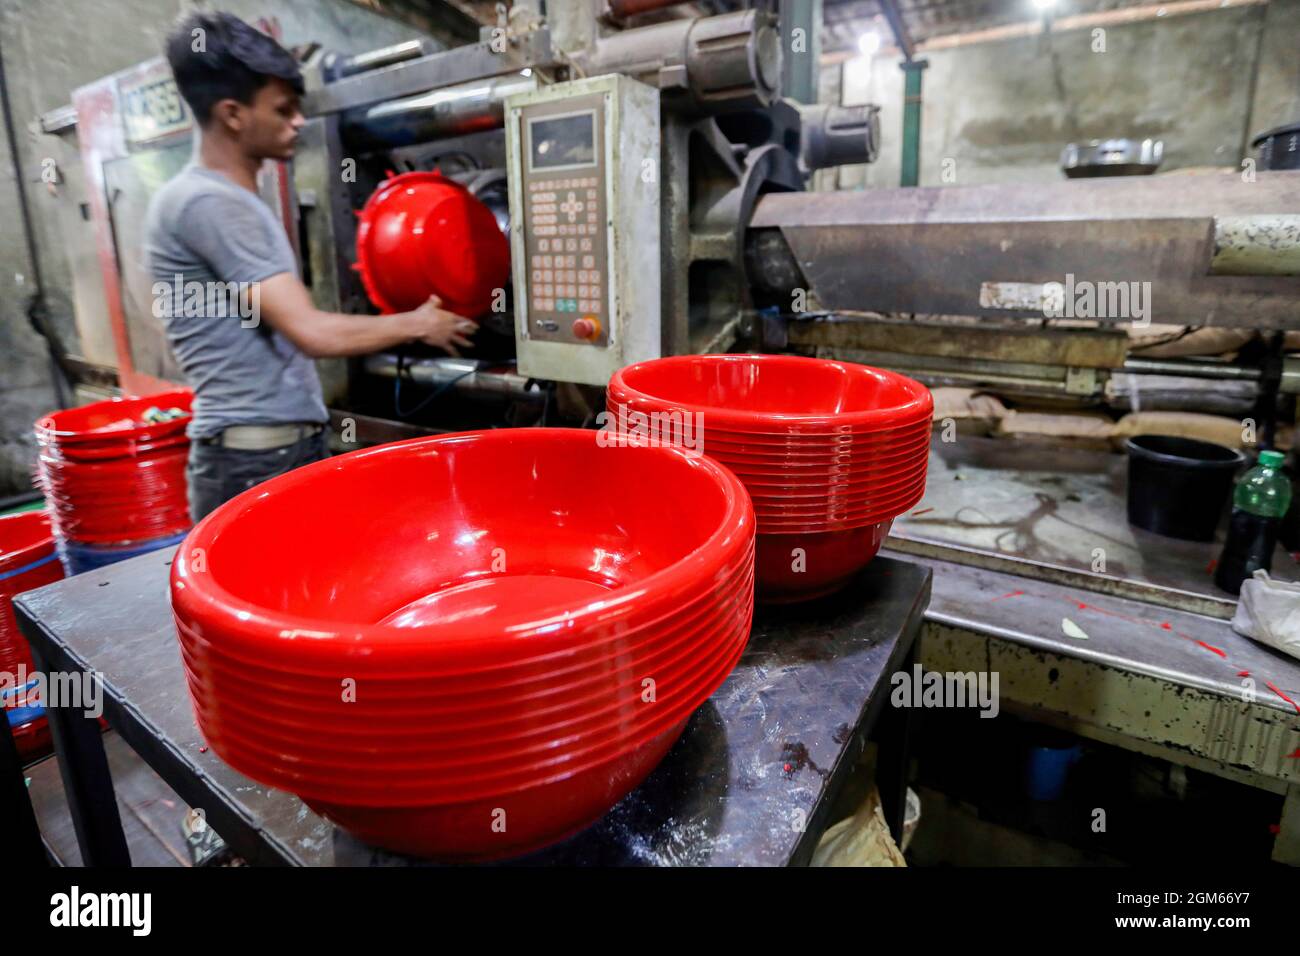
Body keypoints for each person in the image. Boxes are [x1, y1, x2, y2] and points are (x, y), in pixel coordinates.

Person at [145, 11, 477, 521]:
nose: (298, 121)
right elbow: (311, 332)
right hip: (255, 459)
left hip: (258, 450)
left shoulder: (214, 197)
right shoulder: (212, 204)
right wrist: (421, 323)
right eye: (282, 110)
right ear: (233, 114)